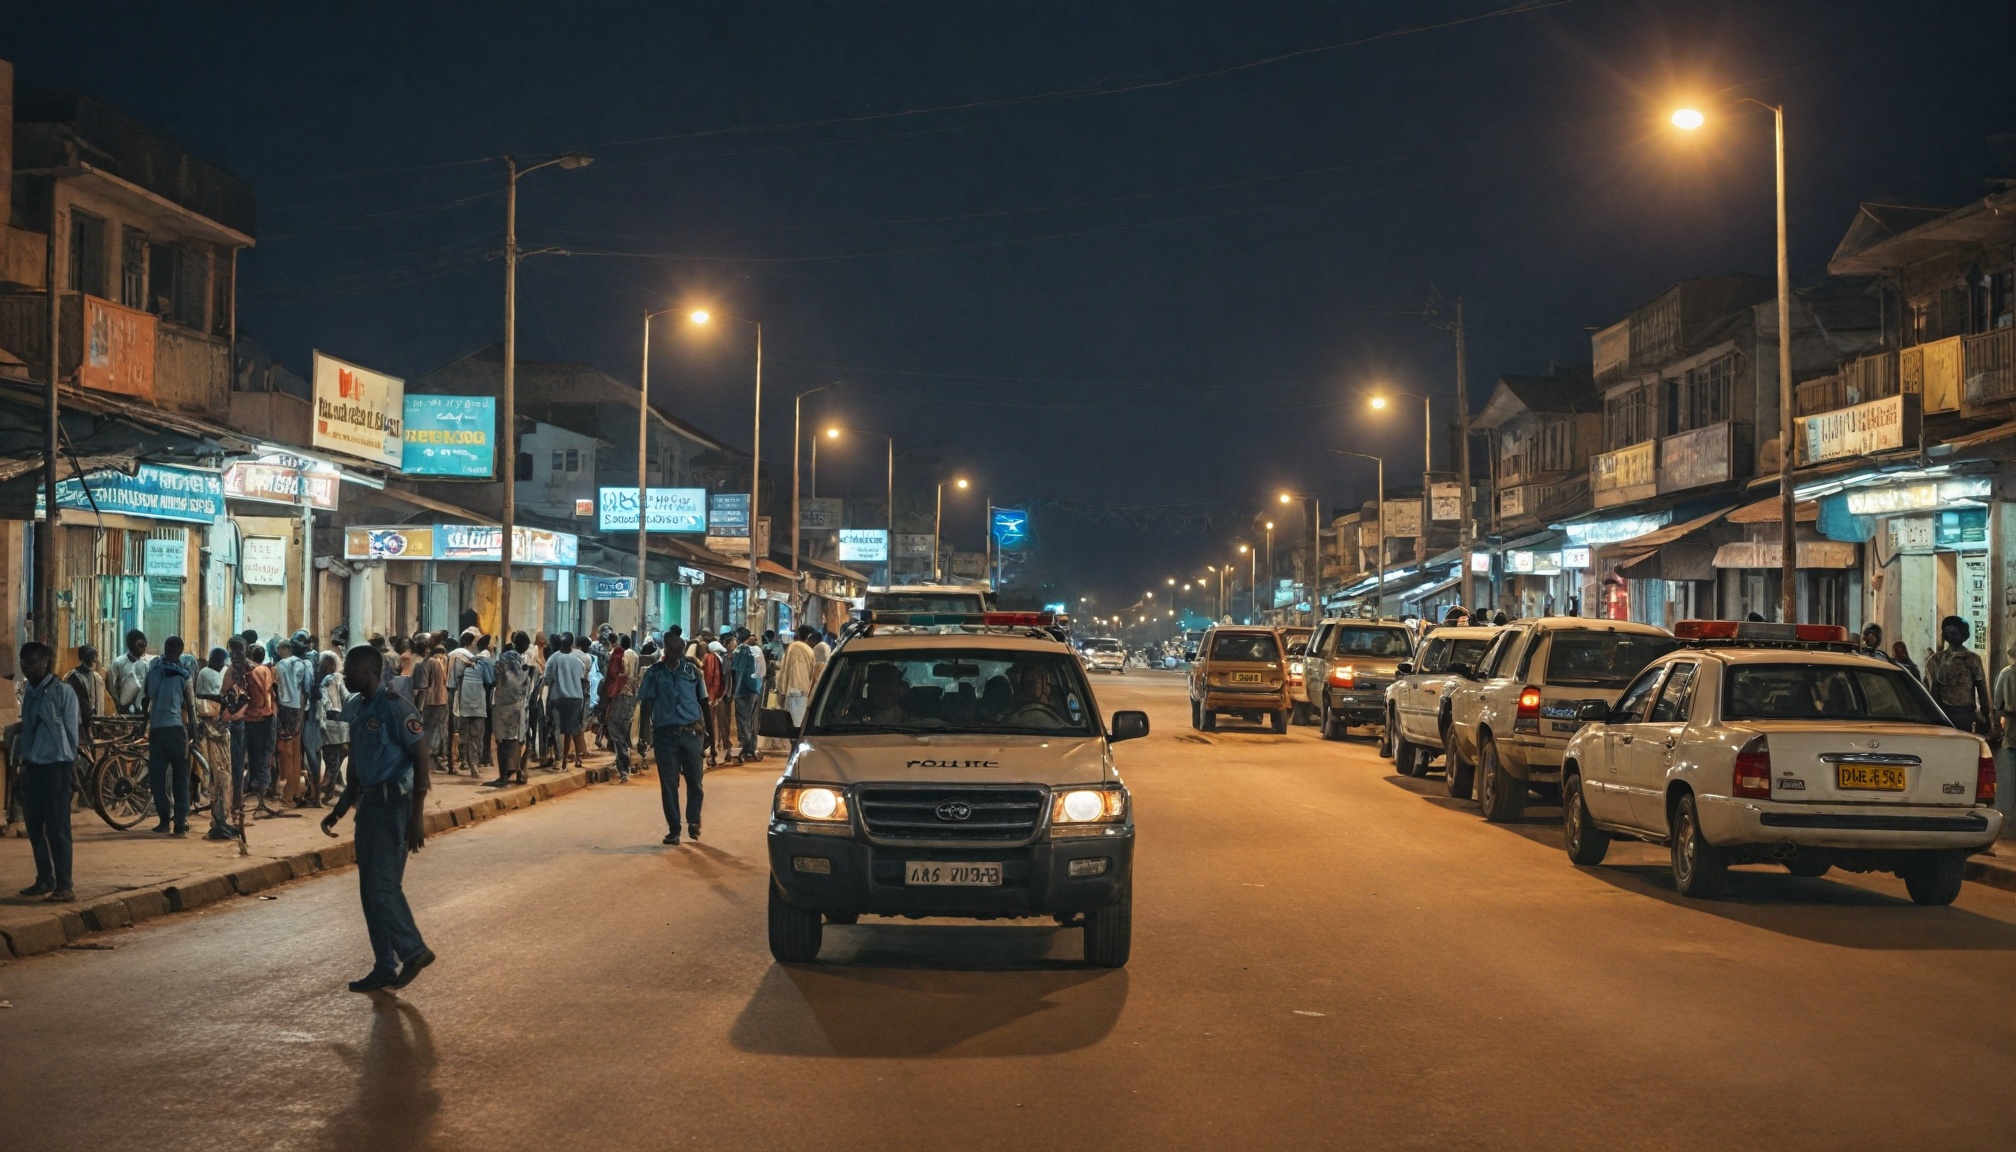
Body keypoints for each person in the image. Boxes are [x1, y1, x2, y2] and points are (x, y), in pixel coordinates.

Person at [321, 644, 436, 993]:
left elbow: (421, 758)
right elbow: (356, 765)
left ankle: (413, 950)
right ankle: (385, 965)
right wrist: (340, 809)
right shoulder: (357, 707)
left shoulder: (395, 708)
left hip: (394, 806)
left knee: (384, 885)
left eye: (350, 670)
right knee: (369, 891)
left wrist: (417, 817)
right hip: (368, 807)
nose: (345, 674)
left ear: (368, 673)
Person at [16, 641, 81, 902]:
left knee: (57, 829)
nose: (25, 667)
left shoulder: (62, 693)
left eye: (30, 662)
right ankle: (44, 879)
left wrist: (69, 766)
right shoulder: (30, 692)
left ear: (44, 662)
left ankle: (65, 886)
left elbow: (71, 736)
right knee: (34, 827)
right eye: (22, 663)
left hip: (55, 768)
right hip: (32, 767)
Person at [639, 630, 711, 846]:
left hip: (692, 733)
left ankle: (694, 820)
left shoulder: (693, 672)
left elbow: (704, 702)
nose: (675, 655)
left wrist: (711, 737)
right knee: (669, 784)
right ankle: (674, 829)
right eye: (672, 651)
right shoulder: (654, 673)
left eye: (678, 652)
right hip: (664, 735)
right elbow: (646, 705)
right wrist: (643, 736)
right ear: (666, 650)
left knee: (695, 782)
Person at [141, 635, 198, 835]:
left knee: (157, 777)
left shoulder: (154, 668)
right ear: (180, 651)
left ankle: (164, 820)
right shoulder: (184, 674)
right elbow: (191, 705)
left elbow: (146, 698)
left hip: (157, 730)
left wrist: (144, 723)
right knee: (180, 776)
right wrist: (195, 730)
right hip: (175, 730)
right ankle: (180, 822)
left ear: (165, 649)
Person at [1925, 615, 1992, 735]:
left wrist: (1986, 714)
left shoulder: (1972, 659)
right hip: (1947, 712)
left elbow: (1982, 691)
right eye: (1948, 631)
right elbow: (1931, 690)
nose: (1951, 634)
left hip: (1961, 713)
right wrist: (1986, 716)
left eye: (1954, 631)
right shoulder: (1935, 660)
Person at [195, 647, 236, 840]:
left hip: (217, 729)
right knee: (218, 778)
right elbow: (213, 699)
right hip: (212, 729)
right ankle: (218, 823)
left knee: (223, 777)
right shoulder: (209, 674)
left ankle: (221, 820)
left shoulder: (209, 673)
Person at [486, 632, 534, 788]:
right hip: (519, 705)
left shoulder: (504, 658)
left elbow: (495, 678)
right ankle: (517, 770)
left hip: (502, 704)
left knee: (501, 740)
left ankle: (503, 776)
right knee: (516, 740)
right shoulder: (525, 663)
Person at [238, 643, 280, 815]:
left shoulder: (251, 672)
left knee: (253, 759)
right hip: (267, 718)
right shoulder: (266, 671)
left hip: (253, 719)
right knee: (264, 758)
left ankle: (250, 800)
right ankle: (261, 801)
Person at [546, 633, 589, 770]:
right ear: (572, 644)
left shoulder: (554, 659)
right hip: (575, 698)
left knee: (557, 729)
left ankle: (560, 759)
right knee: (571, 730)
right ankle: (568, 759)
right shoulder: (578, 661)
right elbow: (582, 677)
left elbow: (548, 679)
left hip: (558, 698)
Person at [452, 632, 494, 772]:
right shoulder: (484, 663)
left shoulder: (463, 664)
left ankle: (463, 759)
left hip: (465, 702)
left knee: (465, 733)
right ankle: (474, 762)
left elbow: (457, 678)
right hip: (479, 704)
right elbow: (489, 681)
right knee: (477, 735)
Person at [601, 634, 636, 782]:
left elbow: (621, 675)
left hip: (621, 695)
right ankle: (623, 761)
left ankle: (623, 766)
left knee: (616, 730)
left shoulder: (623, 656)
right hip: (631, 696)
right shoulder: (634, 654)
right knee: (623, 730)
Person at [318, 652, 351, 803]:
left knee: (331, 759)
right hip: (342, 723)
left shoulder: (323, 682)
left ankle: (329, 791)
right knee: (337, 759)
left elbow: (324, 704)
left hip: (329, 722)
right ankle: (333, 786)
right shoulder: (340, 679)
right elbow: (347, 698)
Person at [730, 627, 765, 763]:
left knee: (743, 720)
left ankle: (744, 748)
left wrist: (734, 691)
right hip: (755, 689)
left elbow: (736, 672)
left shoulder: (740, 651)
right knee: (752, 721)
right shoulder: (757, 650)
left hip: (743, 690)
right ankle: (752, 748)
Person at [415, 639, 450, 766]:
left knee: (428, 729)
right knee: (437, 729)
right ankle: (437, 756)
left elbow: (423, 685)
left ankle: (429, 757)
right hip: (442, 699)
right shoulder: (443, 661)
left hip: (430, 700)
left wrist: (419, 705)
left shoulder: (428, 662)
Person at [779, 626, 818, 727]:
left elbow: (783, 669)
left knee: (791, 725)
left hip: (790, 690)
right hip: (804, 693)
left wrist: (781, 689)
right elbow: (813, 673)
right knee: (800, 724)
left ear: (798, 634)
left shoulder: (791, 647)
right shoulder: (810, 651)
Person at [108, 629, 152, 714]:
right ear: (131, 646)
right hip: (123, 706)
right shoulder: (118, 662)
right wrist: (117, 705)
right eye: (140, 645)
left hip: (143, 707)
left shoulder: (149, 663)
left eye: (145, 644)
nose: (144, 648)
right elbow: (112, 687)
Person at [64, 645, 104, 729]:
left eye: (95, 656)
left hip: (96, 721)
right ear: (82, 658)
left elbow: (100, 701)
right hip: (79, 721)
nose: (94, 659)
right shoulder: (72, 677)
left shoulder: (98, 678)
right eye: (91, 656)